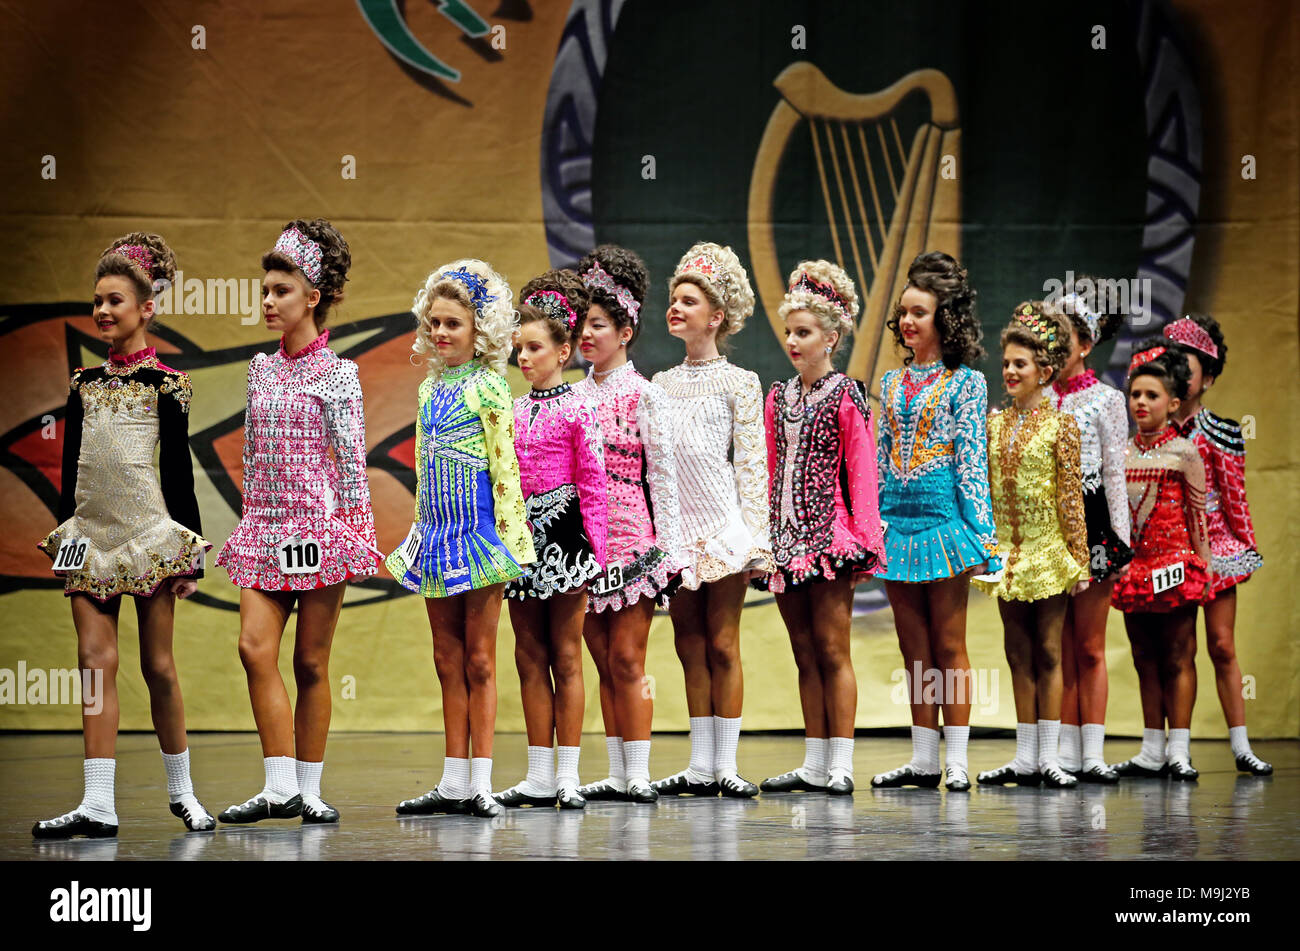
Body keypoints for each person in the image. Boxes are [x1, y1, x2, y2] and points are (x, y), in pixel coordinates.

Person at [34, 232, 214, 838]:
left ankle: (182, 791)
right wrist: (66, 536)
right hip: (90, 535)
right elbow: (72, 471)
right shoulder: (82, 383)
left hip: (147, 536)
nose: (103, 312)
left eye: (115, 300)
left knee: (158, 666)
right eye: (97, 302)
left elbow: (176, 471)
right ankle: (98, 803)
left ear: (146, 308)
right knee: (93, 664)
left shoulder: (168, 384)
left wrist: (187, 551)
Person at [216, 220, 380, 824]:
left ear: (312, 297)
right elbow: (253, 459)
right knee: (254, 649)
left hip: (321, 531)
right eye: (265, 290)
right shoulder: (260, 369)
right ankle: (278, 785)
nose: (267, 301)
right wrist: (248, 525)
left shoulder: (338, 373)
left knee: (310, 663)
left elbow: (351, 465)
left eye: (280, 290)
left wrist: (358, 537)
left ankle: (307, 790)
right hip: (265, 529)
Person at [389, 259, 535, 819]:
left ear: (480, 330)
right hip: (436, 535)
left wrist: (513, 540)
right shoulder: (428, 390)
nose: (441, 333)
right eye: (434, 324)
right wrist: (421, 529)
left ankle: (481, 782)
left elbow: (505, 470)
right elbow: (425, 471)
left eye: (453, 323)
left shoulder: (491, 386)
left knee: (479, 659)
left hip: (480, 538)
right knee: (445, 657)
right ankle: (451, 780)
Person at [870, 251, 999, 792]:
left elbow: (971, 460)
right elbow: (881, 458)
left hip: (945, 527)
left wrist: (983, 536)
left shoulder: (966, 382)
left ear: (943, 318)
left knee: (949, 645)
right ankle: (924, 758)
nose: (906, 322)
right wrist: (872, 523)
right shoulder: (893, 383)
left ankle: (958, 760)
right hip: (896, 527)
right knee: (912, 647)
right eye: (903, 312)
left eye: (918, 313)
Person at [756, 261, 886, 796]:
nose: (792, 341)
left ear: (831, 338)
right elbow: (765, 468)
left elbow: (862, 471)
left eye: (804, 332)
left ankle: (842, 763)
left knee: (834, 650)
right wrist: (762, 538)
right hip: (784, 542)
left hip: (828, 538)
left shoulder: (846, 394)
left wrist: (865, 541)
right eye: (789, 331)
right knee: (804, 651)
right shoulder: (777, 396)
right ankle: (814, 761)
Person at [652, 242, 773, 799]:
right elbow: (656, 470)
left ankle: (725, 762)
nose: (675, 308)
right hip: (677, 533)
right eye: (673, 299)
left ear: (716, 316)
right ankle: (700, 763)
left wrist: (757, 540)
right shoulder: (660, 384)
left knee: (722, 643)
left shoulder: (740, 381)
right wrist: (659, 538)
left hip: (724, 530)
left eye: (688, 300)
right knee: (687, 643)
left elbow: (751, 464)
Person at [573, 245, 683, 804]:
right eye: (581, 325)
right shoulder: (570, 395)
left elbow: (661, 478)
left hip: (634, 544)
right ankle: (617, 770)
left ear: (625, 330)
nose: (585, 335)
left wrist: (670, 553)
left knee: (627, 659)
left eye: (597, 325)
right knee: (598, 657)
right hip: (582, 548)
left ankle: (638, 772)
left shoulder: (646, 395)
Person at [497, 271, 607, 810]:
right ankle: (538, 773)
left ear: (563, 351)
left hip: (566, 536)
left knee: (566, 655)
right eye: (520, 348)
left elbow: (594, 482)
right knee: (527, 655)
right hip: (520, 537)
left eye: (534, 347)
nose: (524, 357)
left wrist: (599, 552)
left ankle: (567, 773)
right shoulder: (512, 411)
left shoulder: (581, 406)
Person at [973, 303, 1088, 790]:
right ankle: (1024, 756)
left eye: (1021, 364)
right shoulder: (994, 425)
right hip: (1007, 553)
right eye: (1006, 364)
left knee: (1048, 650)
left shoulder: (1061, 425)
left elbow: (1070, 495)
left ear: (1044, 371)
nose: (1010, 372)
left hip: (1048, 551)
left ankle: (1051, 755)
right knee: (1016, 651)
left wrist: (1079, 559)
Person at [1164, 315, 1270, 775]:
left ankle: (1241, 746)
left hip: (1219, 550)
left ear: (1208, 376)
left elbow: (1235, 497)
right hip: (1171, 552)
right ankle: (1177, 749)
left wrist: (1243, 548)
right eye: (1171, 365)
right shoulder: (1154, 435)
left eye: (1189, 366)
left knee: (1222, 646)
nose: (1181, 375)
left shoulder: (1224, 433)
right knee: (1177, 650)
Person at [1110, 341, 1212, 781]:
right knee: (1143, 656)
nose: (1141, 403)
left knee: (1178, 656)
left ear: (1172, 403)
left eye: (1151, 396)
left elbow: (1198, 517)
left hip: (1175, 566)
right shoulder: (1121, 453)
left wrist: (1204, 569)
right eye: (1135, 395)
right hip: (1136, 570)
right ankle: (1152, 748)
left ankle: (1180, 750)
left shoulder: (1185, 453)